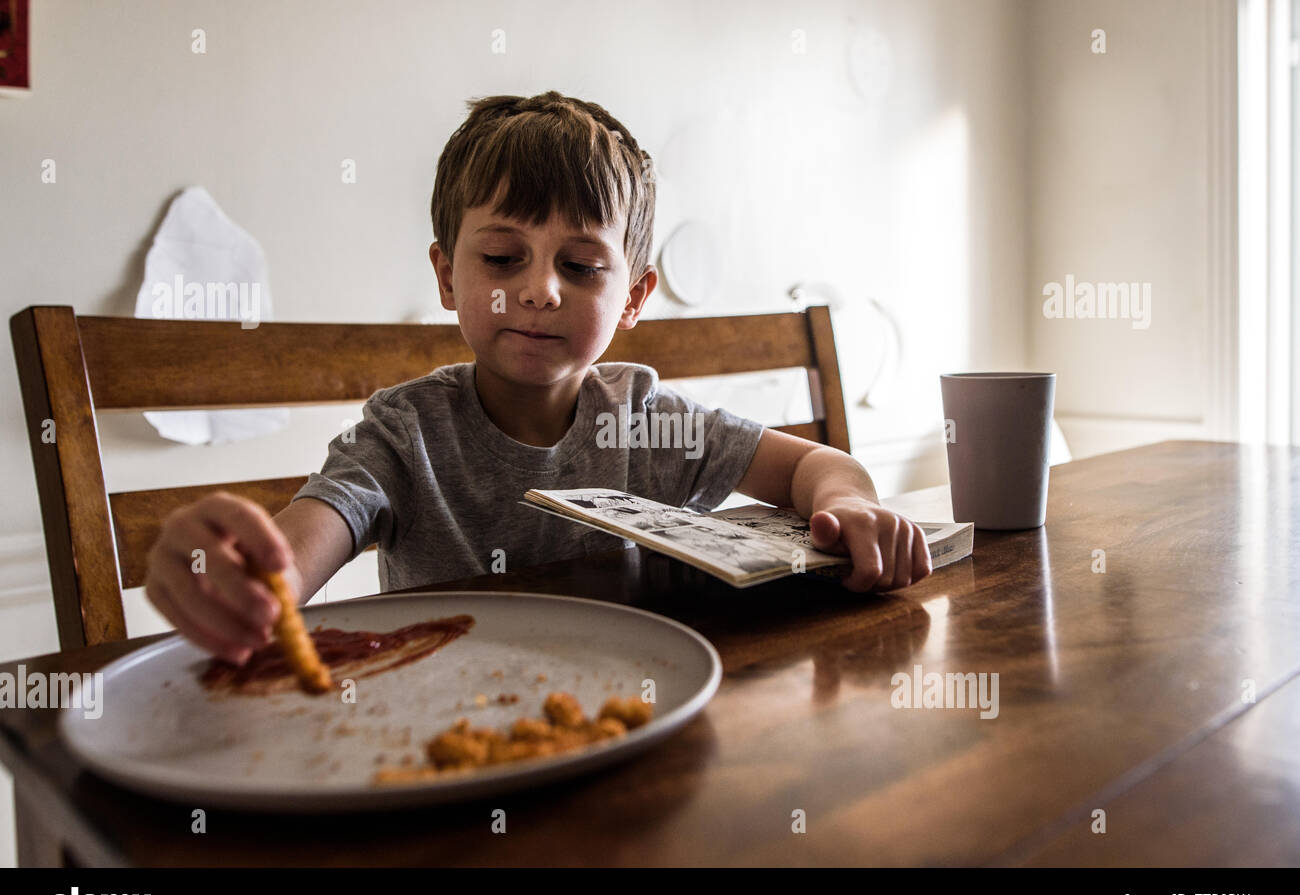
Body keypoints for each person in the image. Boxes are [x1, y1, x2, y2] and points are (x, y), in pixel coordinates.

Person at [144, 91, 931, 666]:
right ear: (448, 277)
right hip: (443, 726)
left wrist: (850, 504)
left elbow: (815, 467)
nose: (539, 290)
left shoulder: (644, 415)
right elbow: (307, 541)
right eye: (501, 257)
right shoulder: (404, 432)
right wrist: (244, 570)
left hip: (632, 714)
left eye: (581, 265)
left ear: (632, 298)